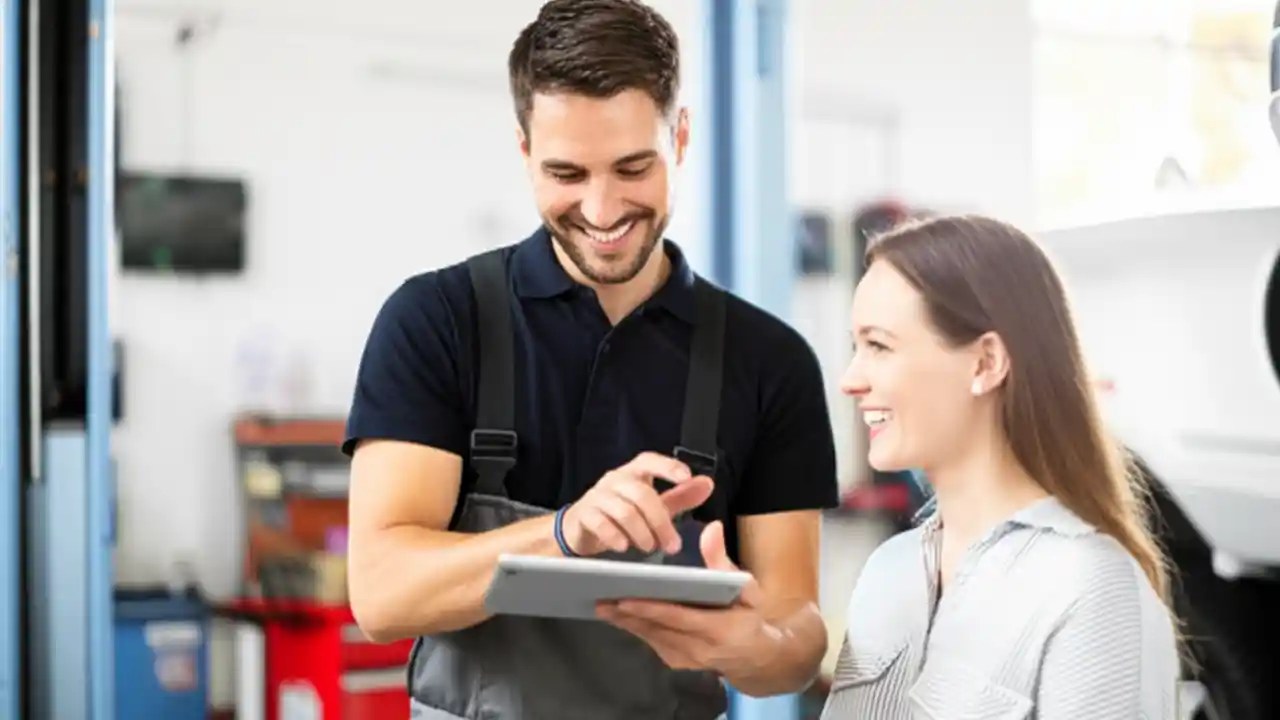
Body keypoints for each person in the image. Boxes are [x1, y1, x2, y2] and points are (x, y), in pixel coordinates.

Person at [341, 1, 838, 717]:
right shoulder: (435, 322)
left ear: (683, 137)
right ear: (523, 152)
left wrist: (749, 644)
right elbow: (383, 596)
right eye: (566, 173)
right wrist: (567, 534)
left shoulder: (770, 360)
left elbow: (798, 641)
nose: (602, 210)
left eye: (633, 167)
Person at [820, 215, 1180, 718]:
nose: (850, 379)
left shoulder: (1089, 584)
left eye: (878, 345)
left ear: (986, 362)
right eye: (856, 347)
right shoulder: (889, 572)